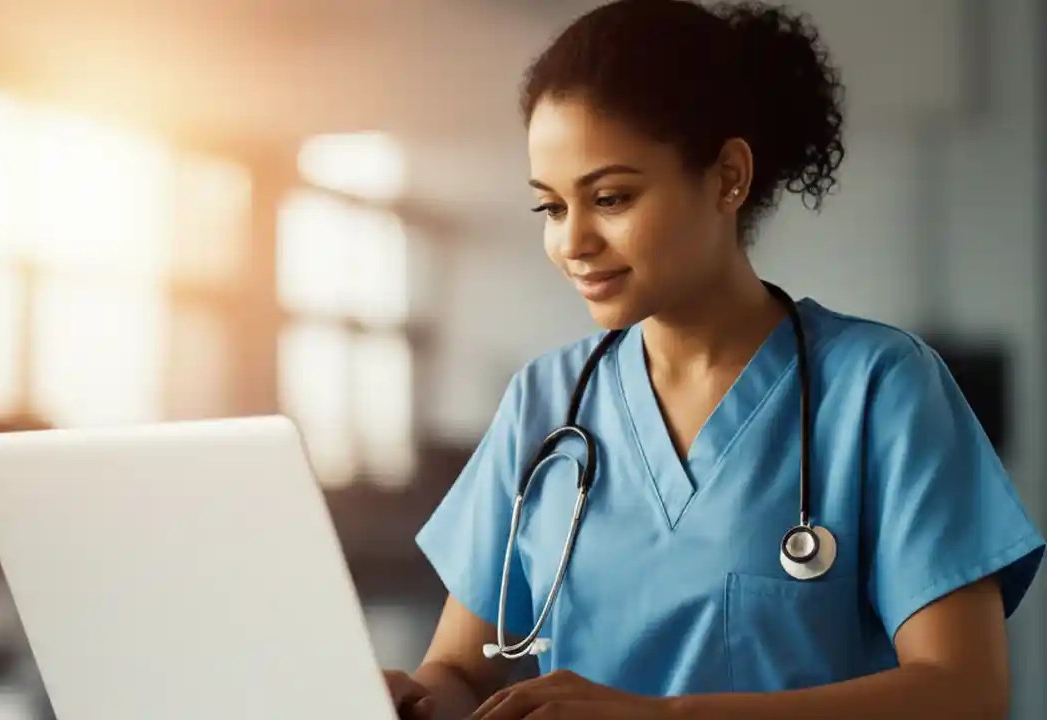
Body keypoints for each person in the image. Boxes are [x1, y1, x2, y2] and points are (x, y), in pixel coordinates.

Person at [382, 1, 1045, 718]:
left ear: (729, 177)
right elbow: (460, 669)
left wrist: (665, 719)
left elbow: (965, 690)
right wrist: (412, 698)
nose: (573, 242)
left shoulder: (880, 389)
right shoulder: (545, 401)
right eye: (551, 207)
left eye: (609, 198)